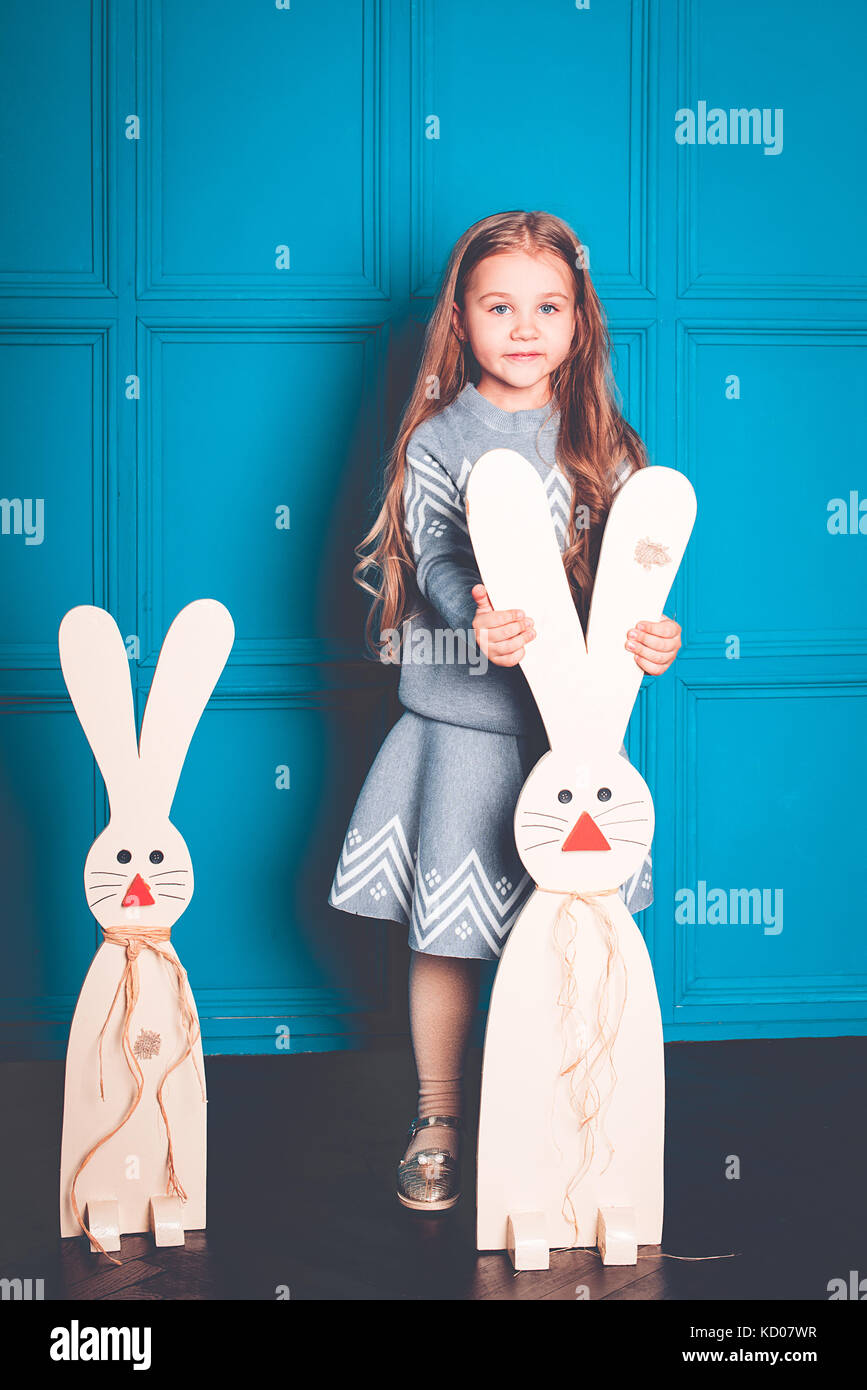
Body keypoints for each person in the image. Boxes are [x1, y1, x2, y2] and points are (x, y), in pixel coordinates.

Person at [327, 210, 682, 1211]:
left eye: (546, 307)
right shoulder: (442, 436)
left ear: (579, 322)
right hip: (462, 728)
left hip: (566, 733)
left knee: (568, 923)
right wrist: (468, 614)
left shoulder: (602, 442)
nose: (523, 327)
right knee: (447, 930)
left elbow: (632, 571)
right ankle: (439, 1113)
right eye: (498, 307)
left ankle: (561, 1113)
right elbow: (435, 550)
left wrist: (653, 636)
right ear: (462, 317)